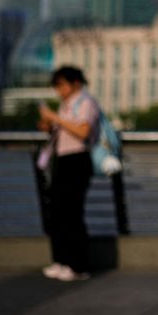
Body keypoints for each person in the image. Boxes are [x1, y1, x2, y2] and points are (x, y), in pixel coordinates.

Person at [36, 66, 99, 282]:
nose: (59, 90)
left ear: (76, 83)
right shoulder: (66, 106)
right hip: (62, 159)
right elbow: (63, 130)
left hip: (78, 160)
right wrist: (48, 124)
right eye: (57, 85)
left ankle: (78, 266)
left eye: (62, 84)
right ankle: (61, 261)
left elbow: (83, 131)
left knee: (73, 213)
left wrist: (56, 118)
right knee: (57, 211)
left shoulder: (86, 103)